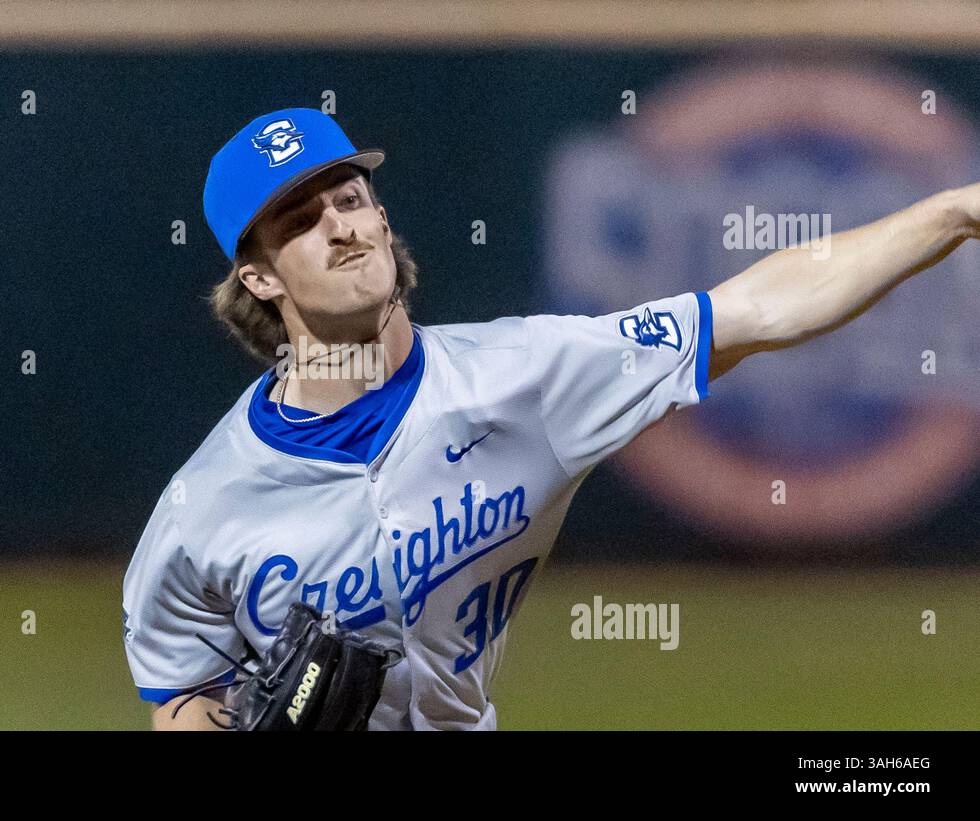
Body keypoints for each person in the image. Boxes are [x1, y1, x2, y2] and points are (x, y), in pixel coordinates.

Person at [123, 107, 980, 730]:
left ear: (382, 216)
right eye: (300, 221)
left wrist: (954, 213)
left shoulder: (527, 377)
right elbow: (180, 694)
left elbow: (759, 307)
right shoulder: (204, 509)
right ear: (261, 277)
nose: (340, 228)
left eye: (349, 198)